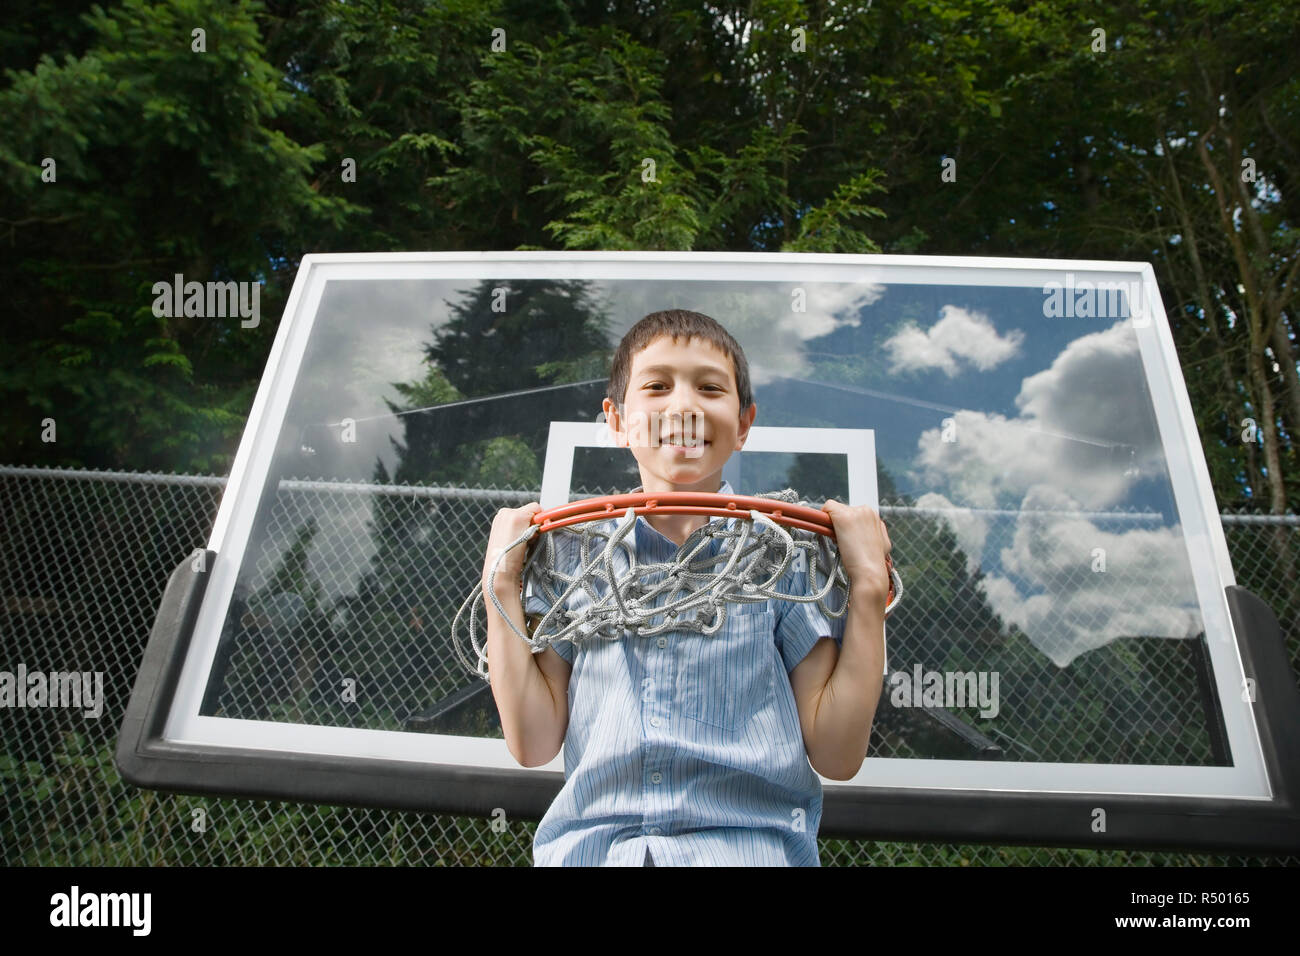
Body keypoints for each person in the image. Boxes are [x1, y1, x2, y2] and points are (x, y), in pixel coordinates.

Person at [480, 309, 893, 866]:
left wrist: (868, 589)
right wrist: (500, 582)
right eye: (656, 385)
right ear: (617, 420)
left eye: (709, 387)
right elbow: (532, 743)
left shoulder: (781, 557)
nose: (683, 405)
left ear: (743, 423)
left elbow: (838, 753)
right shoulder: (571, 557)